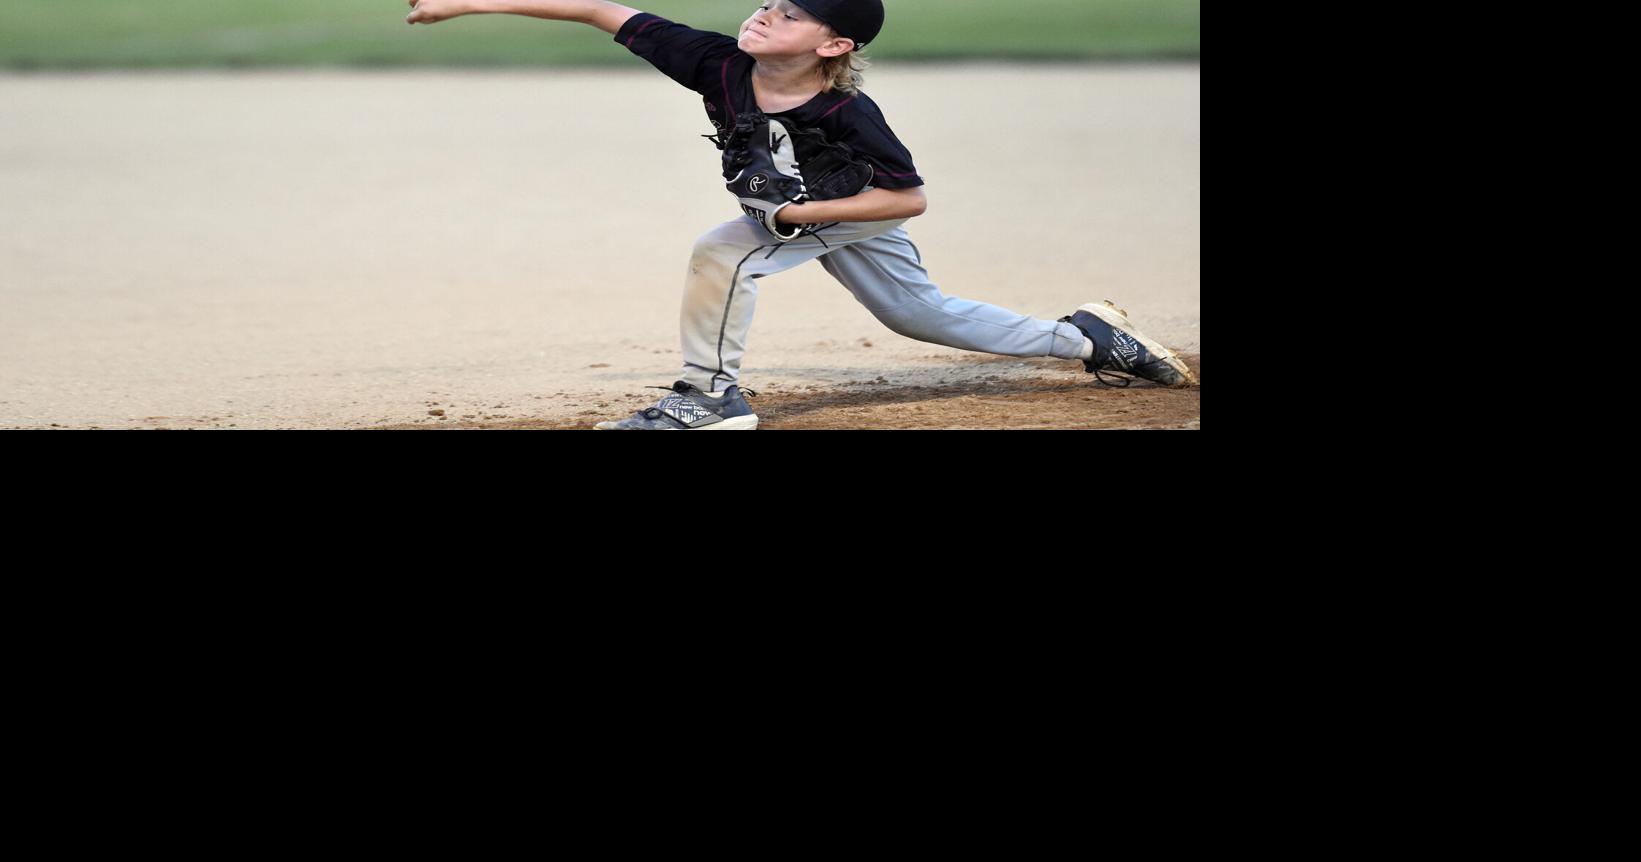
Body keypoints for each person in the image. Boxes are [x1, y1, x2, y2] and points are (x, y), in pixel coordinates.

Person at [407, 0, 1196, 431]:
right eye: (768, 2)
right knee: (920, 315)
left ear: (832, 43)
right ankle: (1090, 337)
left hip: (845, 206)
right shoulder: (717, 59)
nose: (764, 14)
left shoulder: (848, 113)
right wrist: (471, 3)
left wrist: (800, 217)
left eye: (789, 14)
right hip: (813, 211)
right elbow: (601, 10)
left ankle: (708, 397)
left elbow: (906, 197)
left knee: (724, 252)